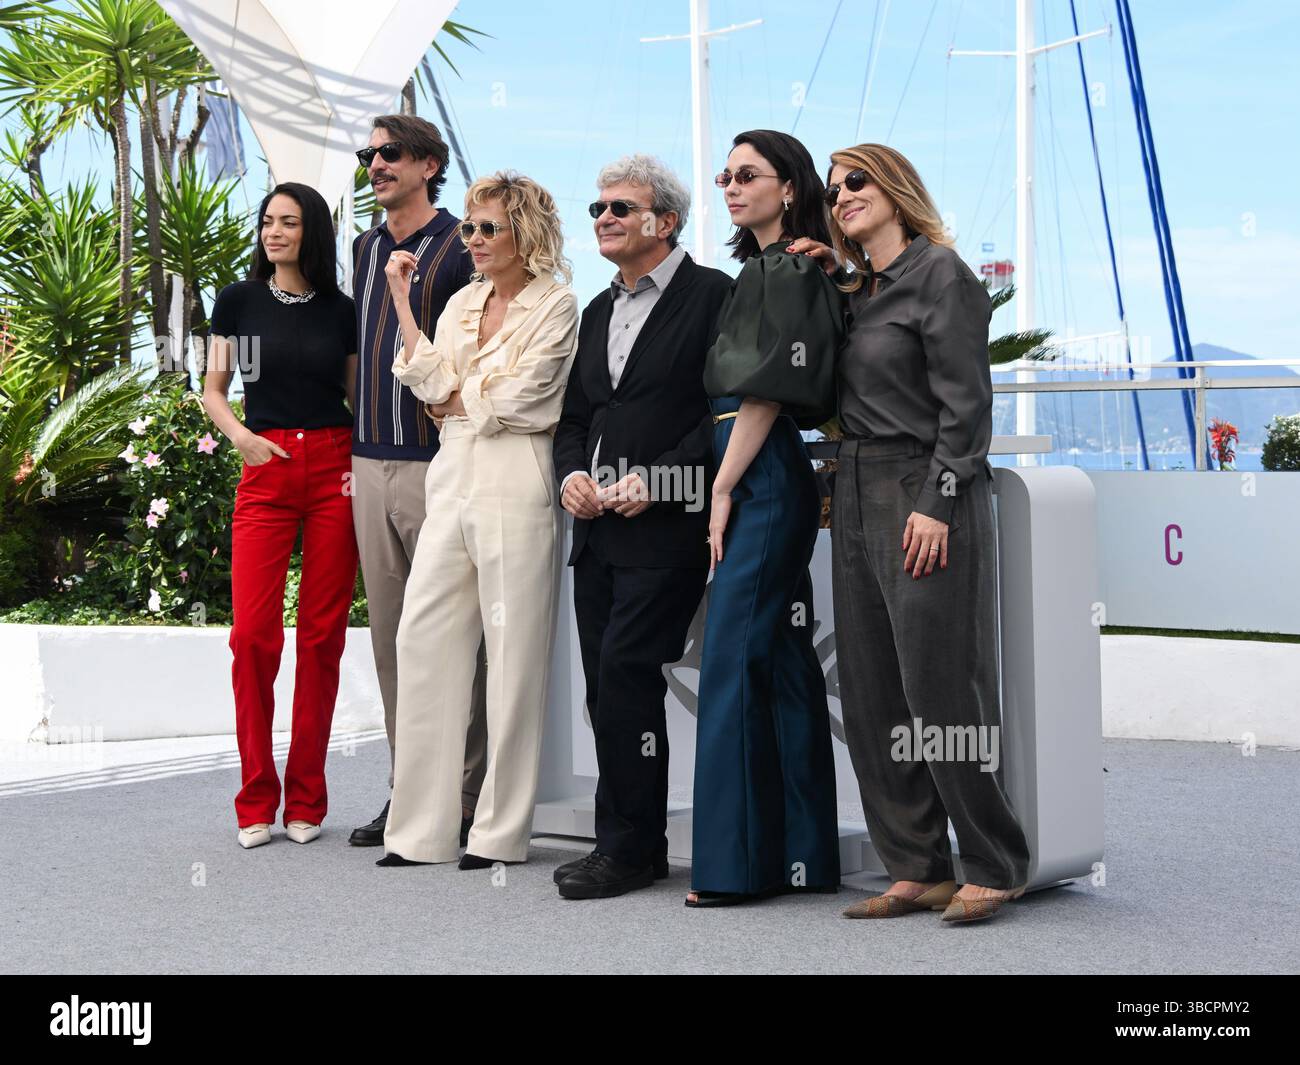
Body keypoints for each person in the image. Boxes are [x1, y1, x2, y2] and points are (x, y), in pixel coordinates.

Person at [812, 143, 1031, 922]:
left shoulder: (941, 274)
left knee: (941, 682)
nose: (842, 197)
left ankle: (995, 859)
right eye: (833, 190)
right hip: (854, 489)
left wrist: (939, 500)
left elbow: (967, 408)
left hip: (921, 489)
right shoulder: (854, 291)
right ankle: (916, 863)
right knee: (872, 690)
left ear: (897, 186)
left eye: (856, 182)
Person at [377, 172, 578, 868]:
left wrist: (456, 396)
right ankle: (420, 830)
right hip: (453, 472)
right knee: (421, 638)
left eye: (489, 227)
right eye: (468, 227)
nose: (474, 240)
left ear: (525, 232)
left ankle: (497, 834)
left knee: (514, 655)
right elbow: (426, 380)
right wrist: (402, 300)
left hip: (518, 470)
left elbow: (525, 397)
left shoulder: (557, 305)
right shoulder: (461, 301)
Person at [551, 155, 732, 899]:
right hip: (595, 533)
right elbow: (576, 418)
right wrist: (570, 475)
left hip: (669, 528)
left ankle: (624, 850)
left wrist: (656, 482)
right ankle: (634, 843)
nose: (604, 219)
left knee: (627, 677)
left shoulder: (714, 296)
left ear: (666, 220)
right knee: (605, 688)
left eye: (620, 208)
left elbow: (723, 414)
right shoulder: (598, 310)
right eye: (597, 209)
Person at [685, 130, 844, 907]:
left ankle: (734, 865)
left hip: (757, 469)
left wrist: (721, 489)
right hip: (761, 468)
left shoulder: (788, 269)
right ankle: (804, 856)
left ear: (788, 187)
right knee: (780, 663)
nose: (731, 186)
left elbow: (766, 392)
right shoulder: (776, 267)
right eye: (725, 175)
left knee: (730, 663)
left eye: (748, 175)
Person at [202, 182, 359, 849]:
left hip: (334, 465)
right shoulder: (237, 301)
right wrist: (240, 438)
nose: (273, 232)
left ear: (311, 233)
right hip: (263, 466)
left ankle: (307, 798)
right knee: (252, 637)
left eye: (288, 223)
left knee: (322, 636)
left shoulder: (341, 310)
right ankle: (254, 797)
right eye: (267, 221)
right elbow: (212, 389)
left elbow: (357, 397)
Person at [346, 115, 488, 850]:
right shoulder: (364, 246)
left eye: (390, 154)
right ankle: (409, 791)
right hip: (368, 460)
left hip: (442, 460)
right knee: (391, 637)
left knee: (453, 633)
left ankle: (465, 795)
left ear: (429, 164)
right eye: (368, 154)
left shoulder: (465, 243)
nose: (375, 164)